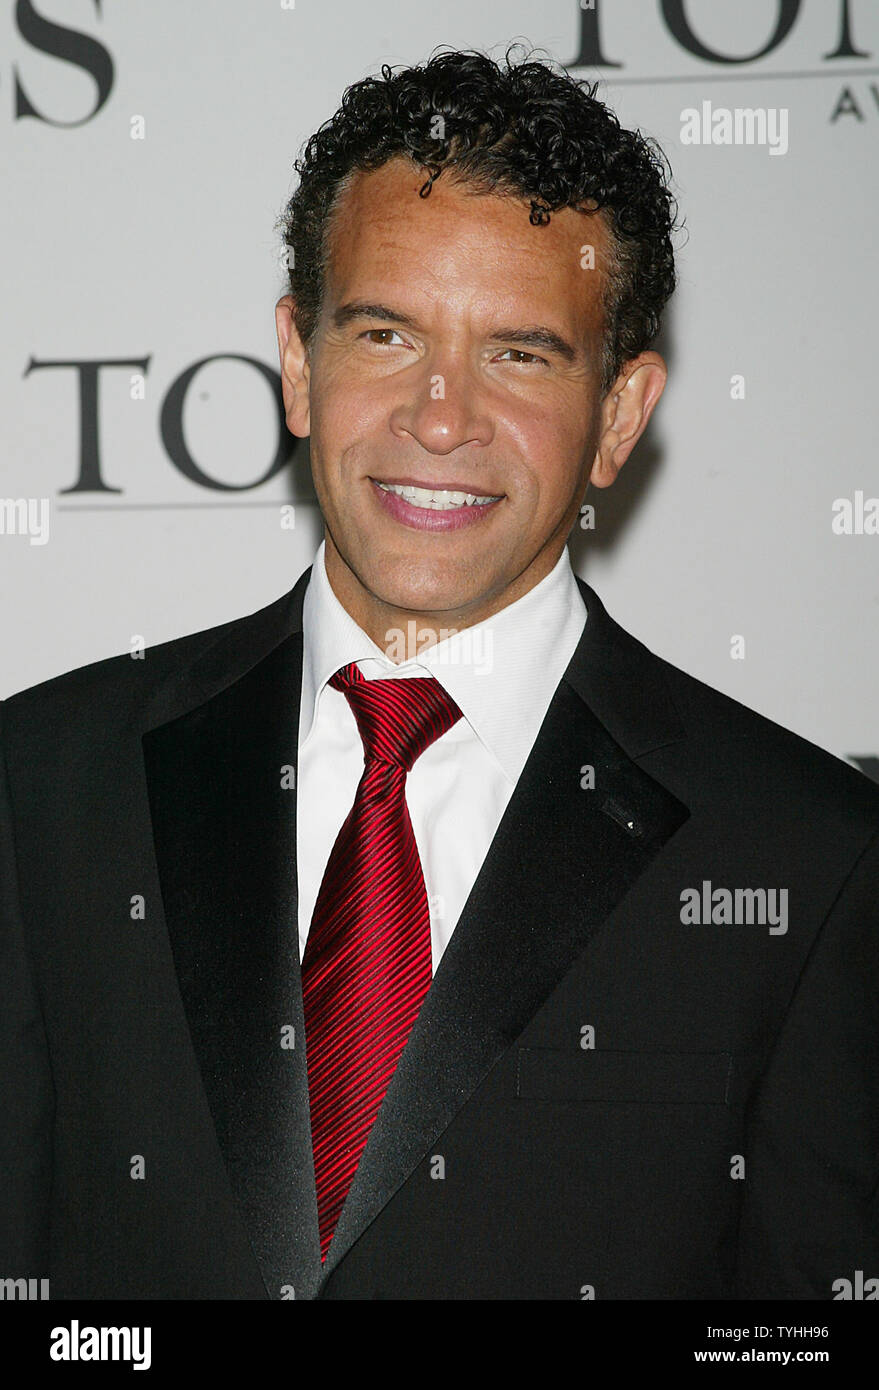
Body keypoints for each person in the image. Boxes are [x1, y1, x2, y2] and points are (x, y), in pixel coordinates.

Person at [2, 46, 877, 1302]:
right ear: (299, 364)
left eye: (519, 354)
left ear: (621, 415)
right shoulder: (46, 787)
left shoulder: (809, 863)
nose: (440, 413)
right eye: (384, 331)